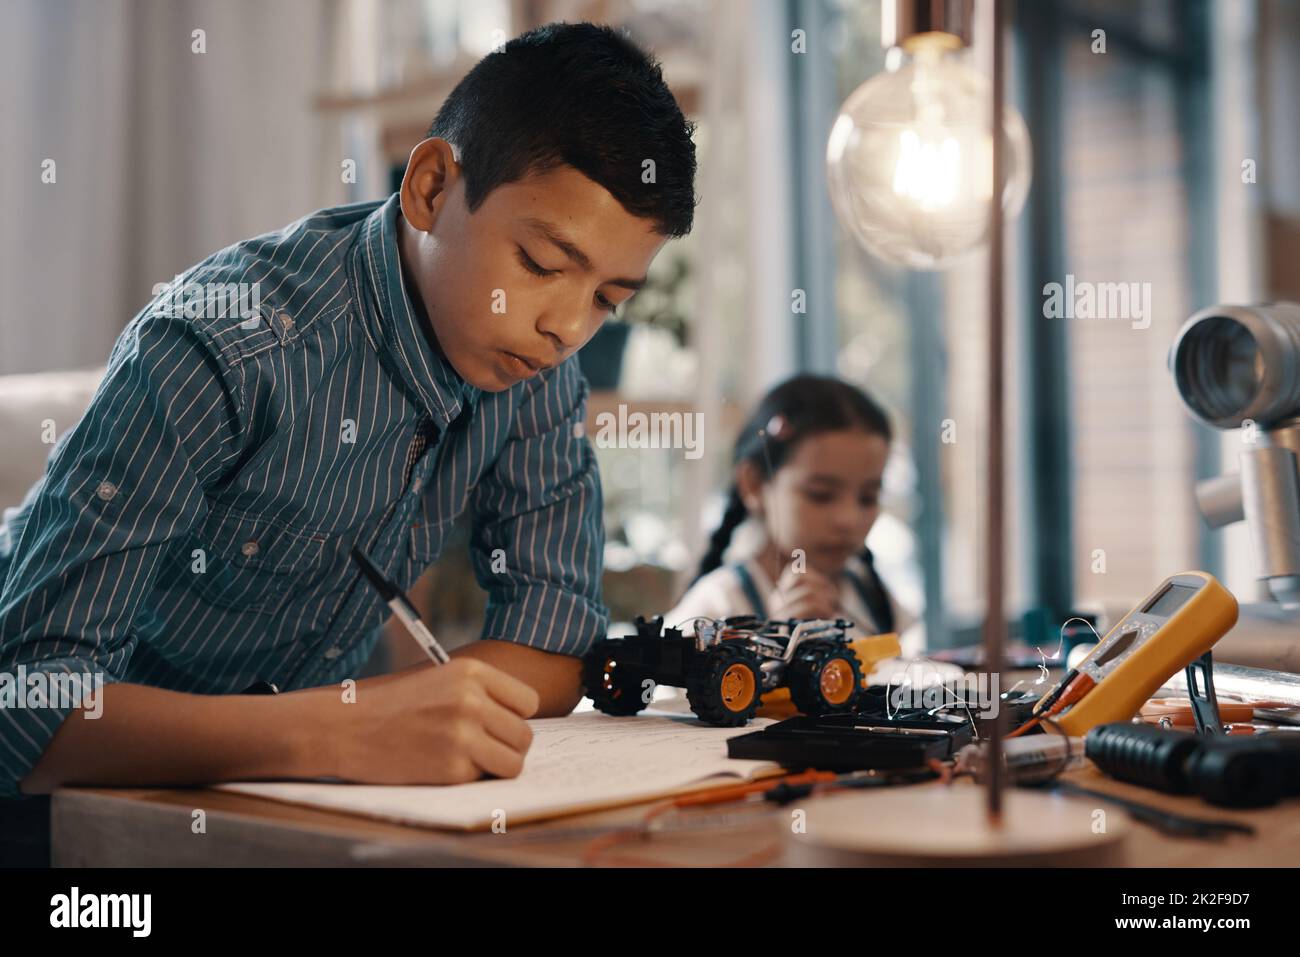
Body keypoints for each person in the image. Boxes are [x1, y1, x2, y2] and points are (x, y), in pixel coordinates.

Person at [0, 22, 697, 801]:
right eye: (540, 264)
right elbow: (29, 706)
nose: (567, 326)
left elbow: (554, 635)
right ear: (431, 187)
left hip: (274, 805)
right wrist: (346, 727)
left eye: (607, 298)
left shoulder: (532, 367)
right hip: (60, 814)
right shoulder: (221, 347)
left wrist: (425, 716)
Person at [666, 375, 917, 648]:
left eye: (868, 497)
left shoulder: (875, 601)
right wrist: (775, 647)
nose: (848, 519)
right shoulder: (714, 608)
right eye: (820, 495)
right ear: (754, 485)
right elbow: (667, 691)